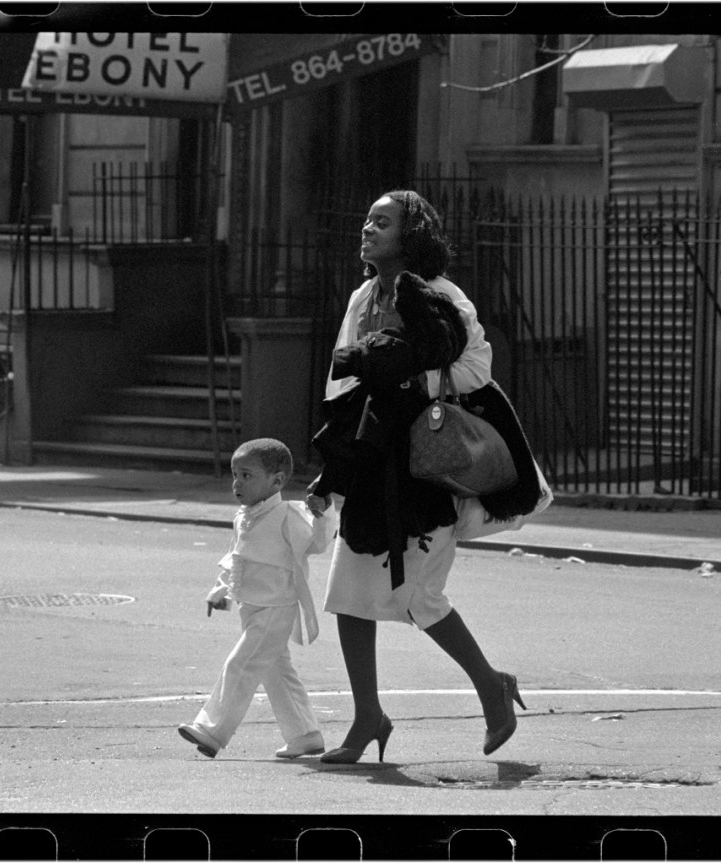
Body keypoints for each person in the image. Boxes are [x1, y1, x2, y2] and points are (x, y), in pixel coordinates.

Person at [306, 189, 545, 764]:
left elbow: (476, 366)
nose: (368, 228)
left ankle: (492, 685)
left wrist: (416, 381)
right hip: (374, 454)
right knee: (349, 593)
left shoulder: (441, 295)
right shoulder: (364, 296)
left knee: (420, 594)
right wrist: (334, 463)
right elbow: (342, 377)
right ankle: (368, 717)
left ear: (409, 233)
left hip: (425, 463)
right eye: (366, 219)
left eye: (381, 221)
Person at [178, 438, 335, 760]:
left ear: (277, 480)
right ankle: (305, 735)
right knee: (276, 672)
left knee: (242, 664)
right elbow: (237, 558)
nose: (237, 483)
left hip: (276, 608)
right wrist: (221, 590)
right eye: (235, 474)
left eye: (247, 476)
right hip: (252, 607)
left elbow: (317, 545)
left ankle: (212, 730)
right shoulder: (243, 516)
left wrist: (323, 515)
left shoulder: (289, 514)